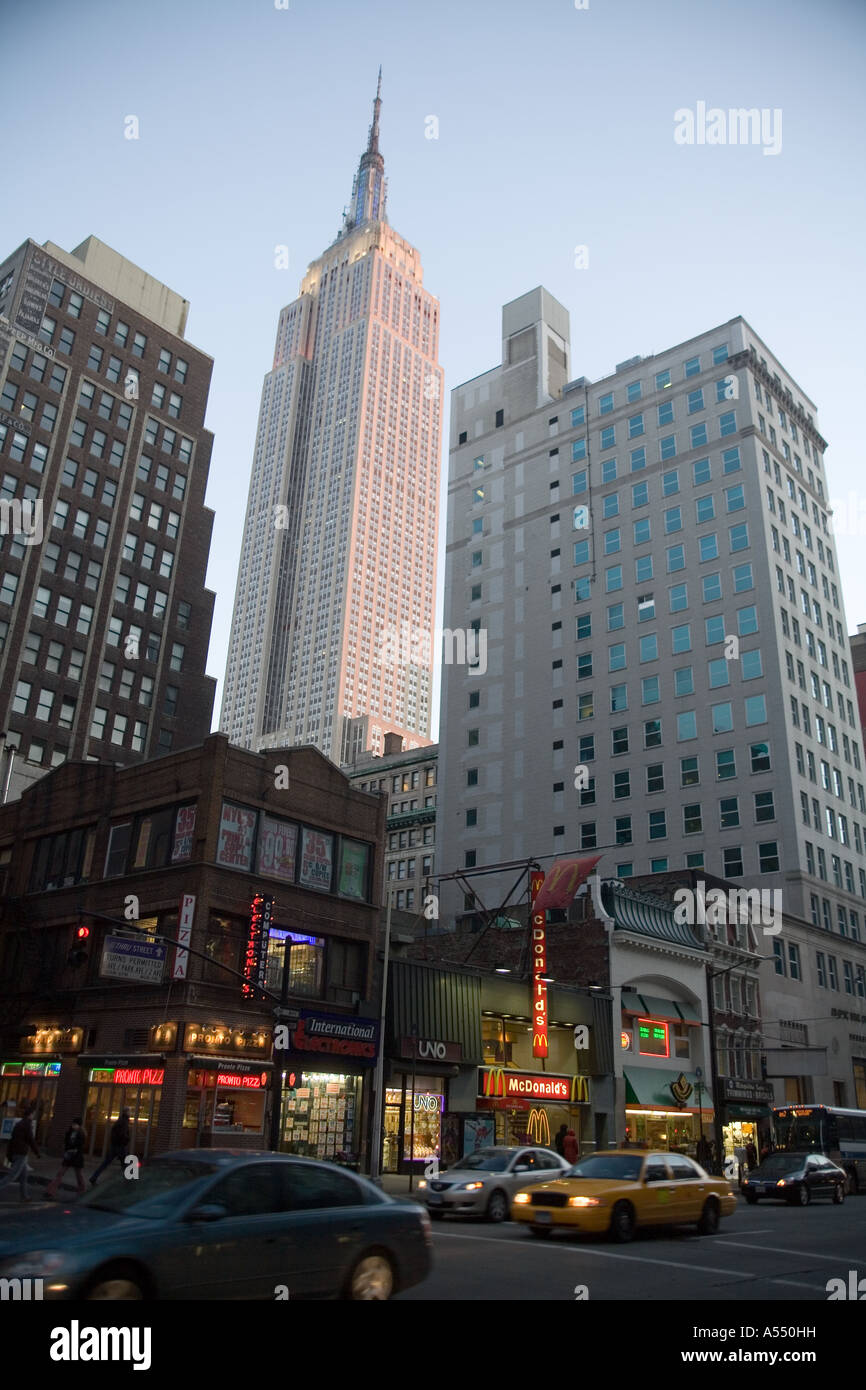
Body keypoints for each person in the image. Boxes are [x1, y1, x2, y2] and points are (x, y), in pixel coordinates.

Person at [0, 1103, 39, 1200]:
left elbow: (12, 1140)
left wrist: (9, 1154)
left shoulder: (19, 1124)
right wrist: (37, 1152)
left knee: (23, 1176)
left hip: (16, 1152)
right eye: (33, 1114)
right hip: (21, 1153)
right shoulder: (27, 1125)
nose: (33, 1116)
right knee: (12, 1175)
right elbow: (30, 1140)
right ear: (30, 1114)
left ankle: (24, 1196)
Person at [45, 1118, 87, 1199]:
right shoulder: (70, 1132)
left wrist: (70, 1148)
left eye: (75, 1124)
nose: (73, 1125)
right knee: (60, 1173)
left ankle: (82, 1190)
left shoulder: (81, 1134)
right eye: (73, 1124)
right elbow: (67, 1142)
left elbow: (79, 1146)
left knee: (79, 1175)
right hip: (69, 1156)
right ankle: (50, 1191)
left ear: (79, 1125)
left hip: (76, 1157)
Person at [89, 1108, 131, 1186]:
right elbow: (123, 1135)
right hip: (120, 1147)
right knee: (125, 1164)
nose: (130, 1113)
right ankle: (128, 1183)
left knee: (106, 1163)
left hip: (114, 1146)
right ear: (127, 1113)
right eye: (130, 1111)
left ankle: (94, 1177)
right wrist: (127, 1140)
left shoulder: (119, 1121)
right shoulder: (124, 1122)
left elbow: (115, 1133)